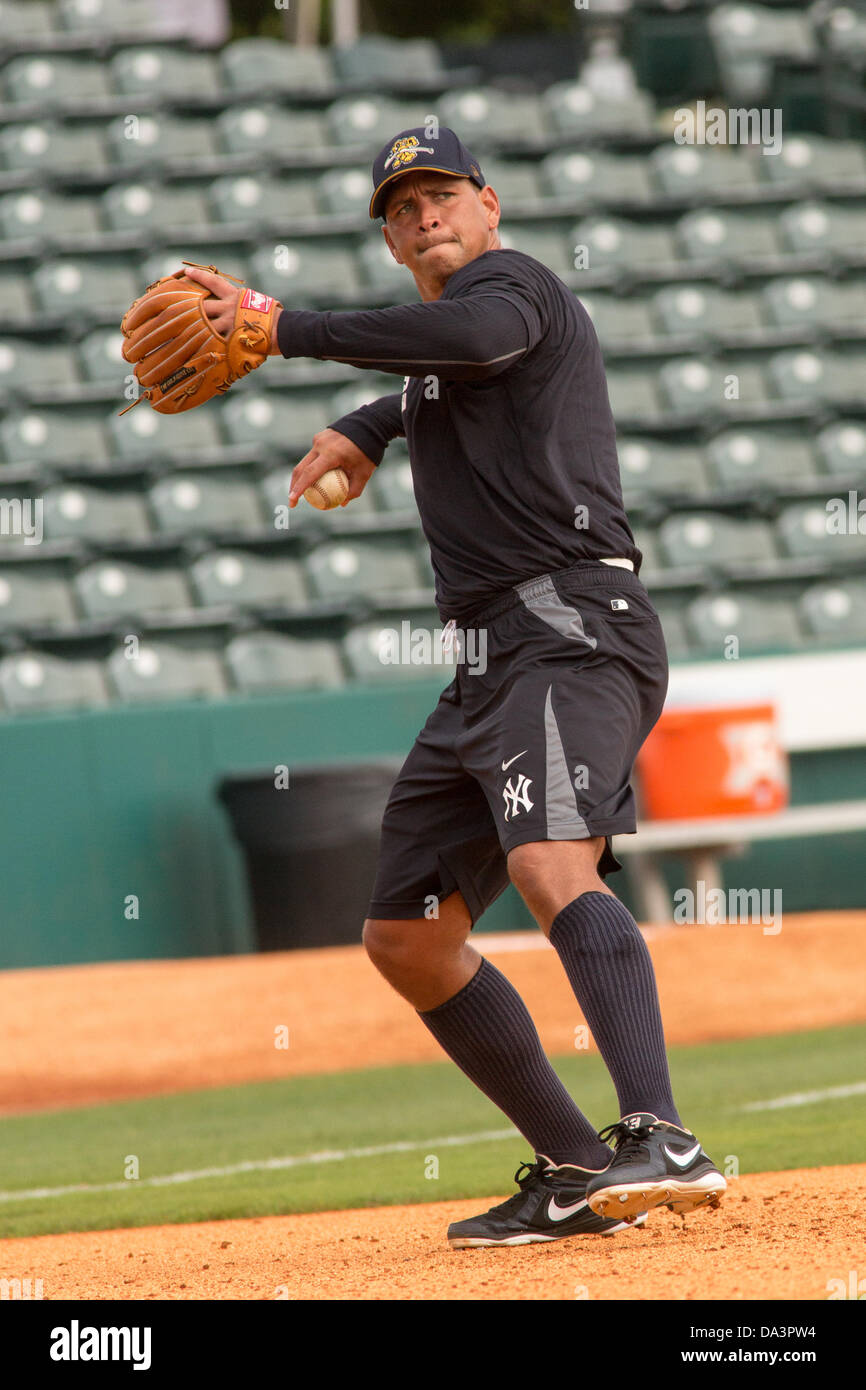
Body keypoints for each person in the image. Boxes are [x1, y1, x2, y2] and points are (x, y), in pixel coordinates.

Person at [185, 126, 726, 1248]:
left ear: (488, 205)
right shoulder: (441, 350)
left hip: (567, 623)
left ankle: (659, 1130)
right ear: (389, 237)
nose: (422, 212)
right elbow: (437, 375)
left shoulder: (511, 286)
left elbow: (473, 338)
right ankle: (578, 1169)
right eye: (400, 205)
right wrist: (362, 427)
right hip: (485, 657)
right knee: (405, 938)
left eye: (441, 192)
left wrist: (285, 329)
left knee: (545, 858)